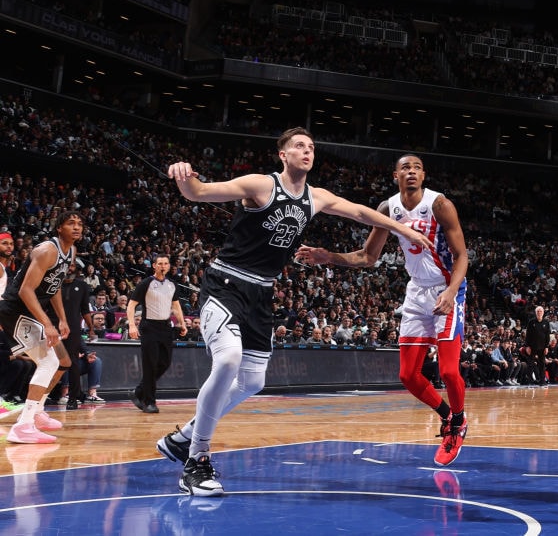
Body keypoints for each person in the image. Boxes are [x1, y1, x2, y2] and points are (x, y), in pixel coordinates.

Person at [155, 128, 433, 497]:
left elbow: (360, 212)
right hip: (226, 284)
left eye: (311, 147)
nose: (307, 151)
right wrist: (183, 175)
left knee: (252, 382)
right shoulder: (261, 185)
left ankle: (184, 437)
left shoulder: (316, 197)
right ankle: (196, 458)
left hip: (261, 293)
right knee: (228, 360)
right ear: (283, 155)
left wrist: (403, 230)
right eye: (299, 146)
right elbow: (200, 192)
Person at [295, 153, 469, 467]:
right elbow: (368, 256)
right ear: (395, 176)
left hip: (447, 288)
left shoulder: (440, 204)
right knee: (408, 375)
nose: (412, 171)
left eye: (417, 167)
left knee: (447, 371)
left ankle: (457, 424)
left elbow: (462, 256)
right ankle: (446, 415)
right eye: (405, 167)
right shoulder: (388, 208)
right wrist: (328, 256)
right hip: (417, 291)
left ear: (424, 175)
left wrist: (451, 291)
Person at [0, 210, 82, 443]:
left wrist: (62, 319)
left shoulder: (71, 251)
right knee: (49, 362)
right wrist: (47, 324)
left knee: (63, 361)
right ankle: (23, 425)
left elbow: (54, 286)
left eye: (79, 223)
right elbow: (25, 290)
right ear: (59, 228)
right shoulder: (47, 250)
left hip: (30, 312)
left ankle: (37, 412)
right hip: (14, 310)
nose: (76, 227)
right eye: (71, 223)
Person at [127, 255, 188, 414]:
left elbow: (176, 306)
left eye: (166, 263)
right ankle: (149, 402)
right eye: (160, 263)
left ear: (169, 266)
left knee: (165, 363)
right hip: (149, 327)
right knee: (150, 364)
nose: (163, 266)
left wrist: (182, 323)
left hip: (166, 327)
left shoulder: (172, 284)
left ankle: (139, 391)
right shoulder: (145, 283)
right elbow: (131, 305)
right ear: (154, 265)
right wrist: (132, 325)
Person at [54, 267, 92, 410]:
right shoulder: (53, 283)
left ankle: (73, 398)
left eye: (72, 266)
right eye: (67, 266)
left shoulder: (82, 286)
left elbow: (85, 309)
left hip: (73, 328)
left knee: (73, 362)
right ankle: (43, 396)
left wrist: (91, 327)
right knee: (50, 360)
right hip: (53, 325)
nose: (69, 269)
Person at [524, 305, 551, 386]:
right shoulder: (531, 322)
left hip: (542, 347)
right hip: (532, 347)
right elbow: (528, 335)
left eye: (540, 311)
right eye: (538, 311)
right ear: (535, 313)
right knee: (530, 364)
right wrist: (527, 346)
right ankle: (530, 381)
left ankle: (542, 381)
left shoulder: (546, 322)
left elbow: (547, 335)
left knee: (542, 364)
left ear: (543, 313)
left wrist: (546, 347)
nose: (539, 313)